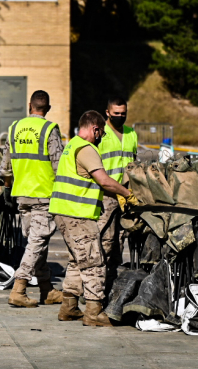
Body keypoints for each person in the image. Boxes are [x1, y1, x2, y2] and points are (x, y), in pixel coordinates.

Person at [48, 111, 134, 327]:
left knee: (78, 261)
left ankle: (69, 307)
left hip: (64, 211)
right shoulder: (86, 149)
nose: (101, 137)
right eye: (101, 133)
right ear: (95, 129)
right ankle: (94, 312)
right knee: (94, 262)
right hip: (76, 214)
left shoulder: (72, 145)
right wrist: (127, 193)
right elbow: (104, 181)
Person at [0, 90, 64, 308]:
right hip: (44, 194)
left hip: (22, 194)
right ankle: (19, 287)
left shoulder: (14, 128)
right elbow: (58, 165)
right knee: (36, 242)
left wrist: (8, 187)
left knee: (37, 242)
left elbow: (5, 166)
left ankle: (47, 289)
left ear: (29, 105)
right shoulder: (49, 129)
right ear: (48, 108)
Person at [96, 96, 138, 286]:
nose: (120, 117)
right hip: (105, 195)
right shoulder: (101, 134)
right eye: (116, 114)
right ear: (107, 113)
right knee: (104, 241)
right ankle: (95, 285)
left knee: (119, 242)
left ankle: (111, 284)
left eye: (123, 114)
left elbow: (134, 164)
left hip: (126, 196)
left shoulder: (131, 134)